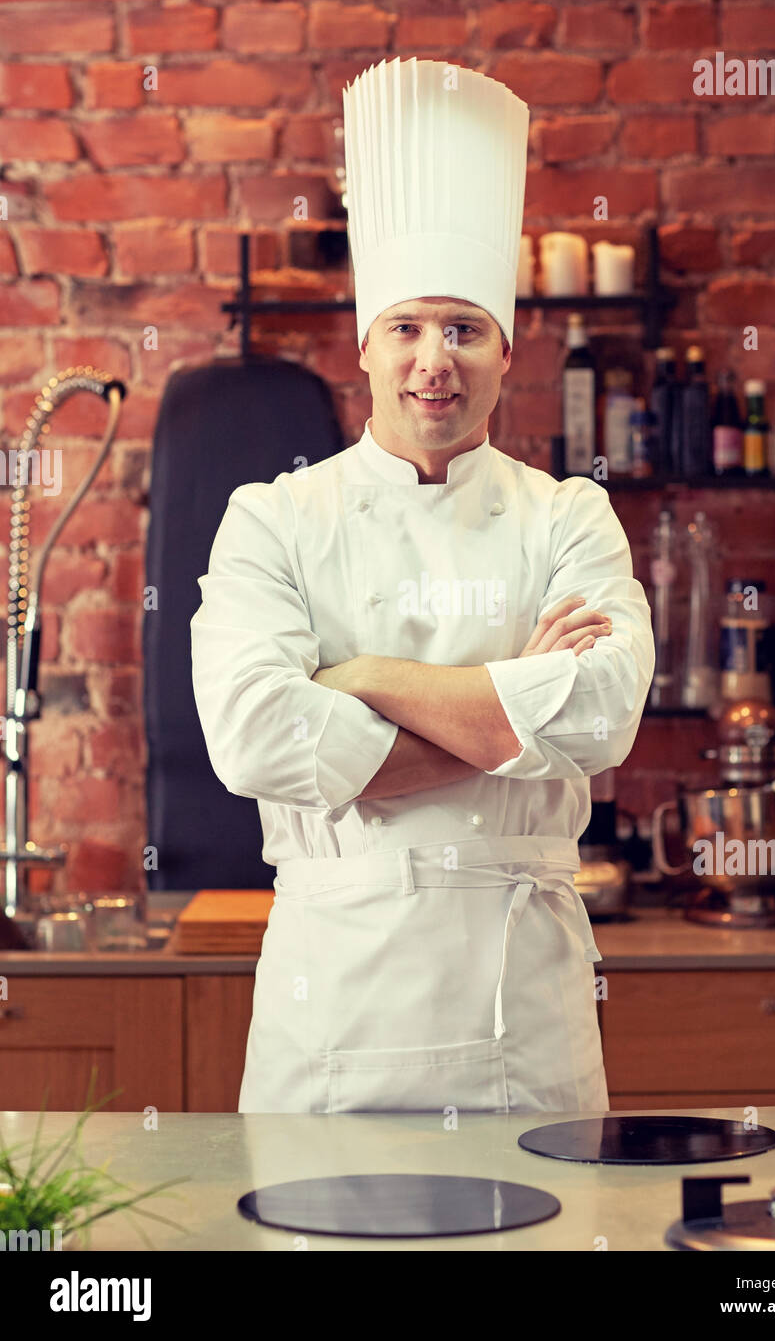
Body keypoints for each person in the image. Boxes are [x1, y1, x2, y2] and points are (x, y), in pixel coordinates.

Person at [190, 58, 654, 1113]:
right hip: (330, 1026)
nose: (431, 361)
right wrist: (508, 705)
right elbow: (254, 736)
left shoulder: (567, 514)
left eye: (461, 329)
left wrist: (358, 677)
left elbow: (598, 715)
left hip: (523, 1037)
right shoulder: (274, 518)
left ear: (506, 347)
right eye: (405, 327)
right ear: (364, 344)